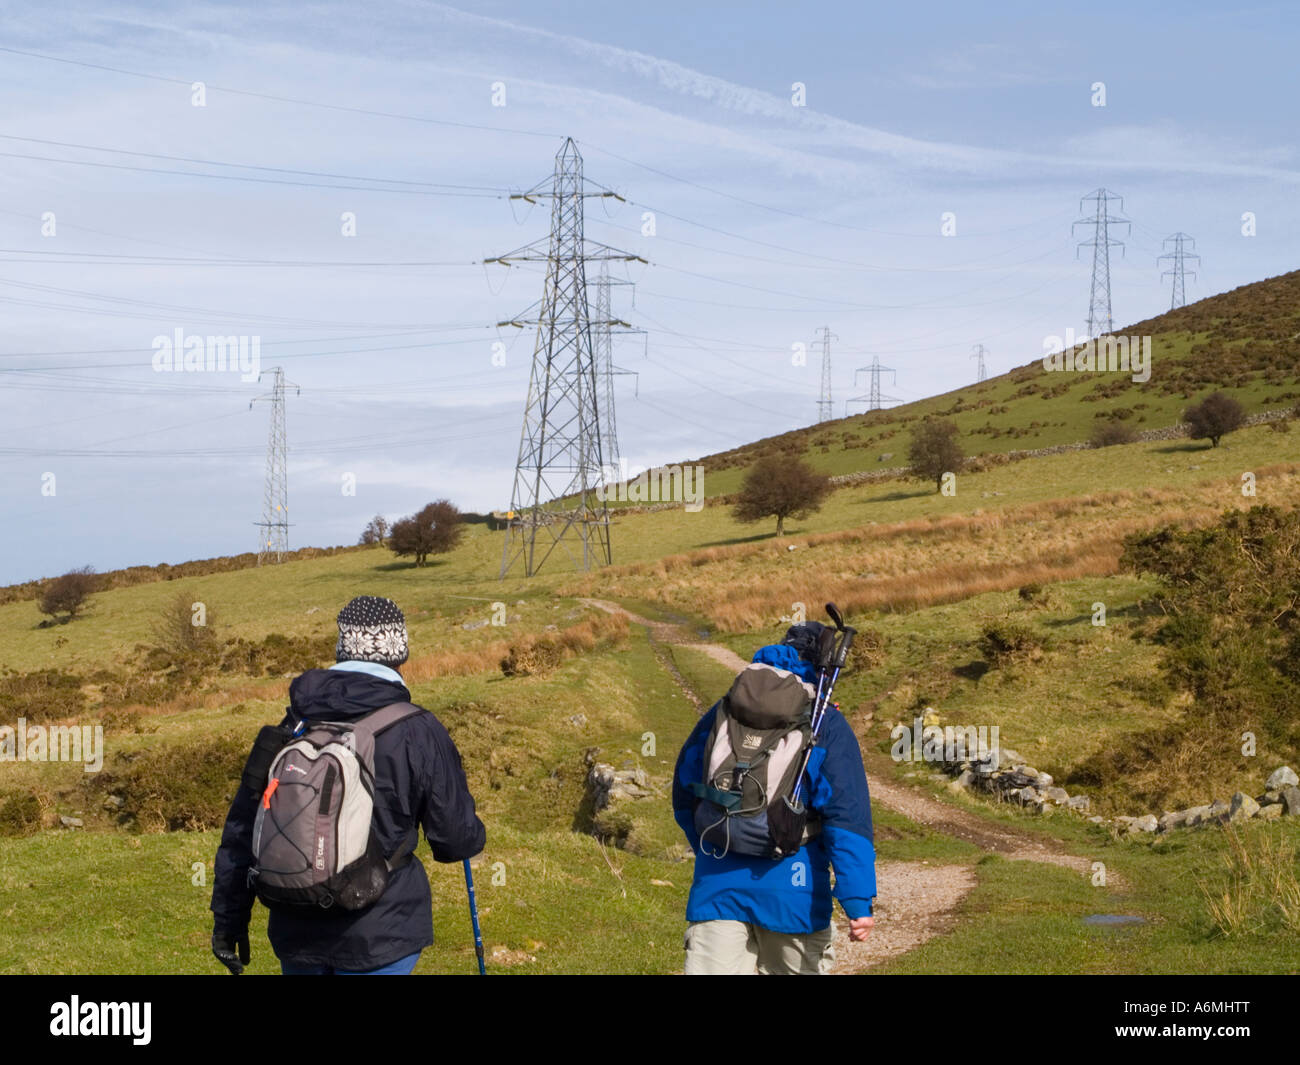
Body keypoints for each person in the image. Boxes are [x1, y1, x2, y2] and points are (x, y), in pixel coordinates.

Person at [210, 595, 485, 975]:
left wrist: (228, 920)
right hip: (383, 933)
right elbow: (456, 842)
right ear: (399, 654)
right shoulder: (420, 730)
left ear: (341, 651)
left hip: (297, 928)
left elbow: (241, 829)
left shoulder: (293, 726)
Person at [672, 622, 876, 974]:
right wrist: (857, 901)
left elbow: (683, 792)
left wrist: (714, 838)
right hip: (794, 895)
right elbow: (847, 819)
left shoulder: (726, 711)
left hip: (716, 887)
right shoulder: (826, 723)